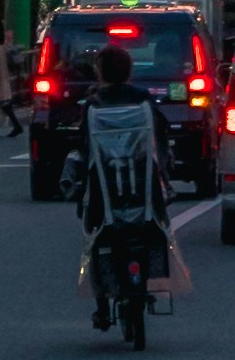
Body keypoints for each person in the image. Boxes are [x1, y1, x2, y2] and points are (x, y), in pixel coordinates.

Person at [69, 43, 171, 332]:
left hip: (105, 189)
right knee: (154, 230)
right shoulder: (143, 99)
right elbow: (160, 138)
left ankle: (102, 306)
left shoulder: (94, 104)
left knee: (96, 238)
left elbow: (83, 147)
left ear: (100, 71)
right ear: (129, 70)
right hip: (142, 185)